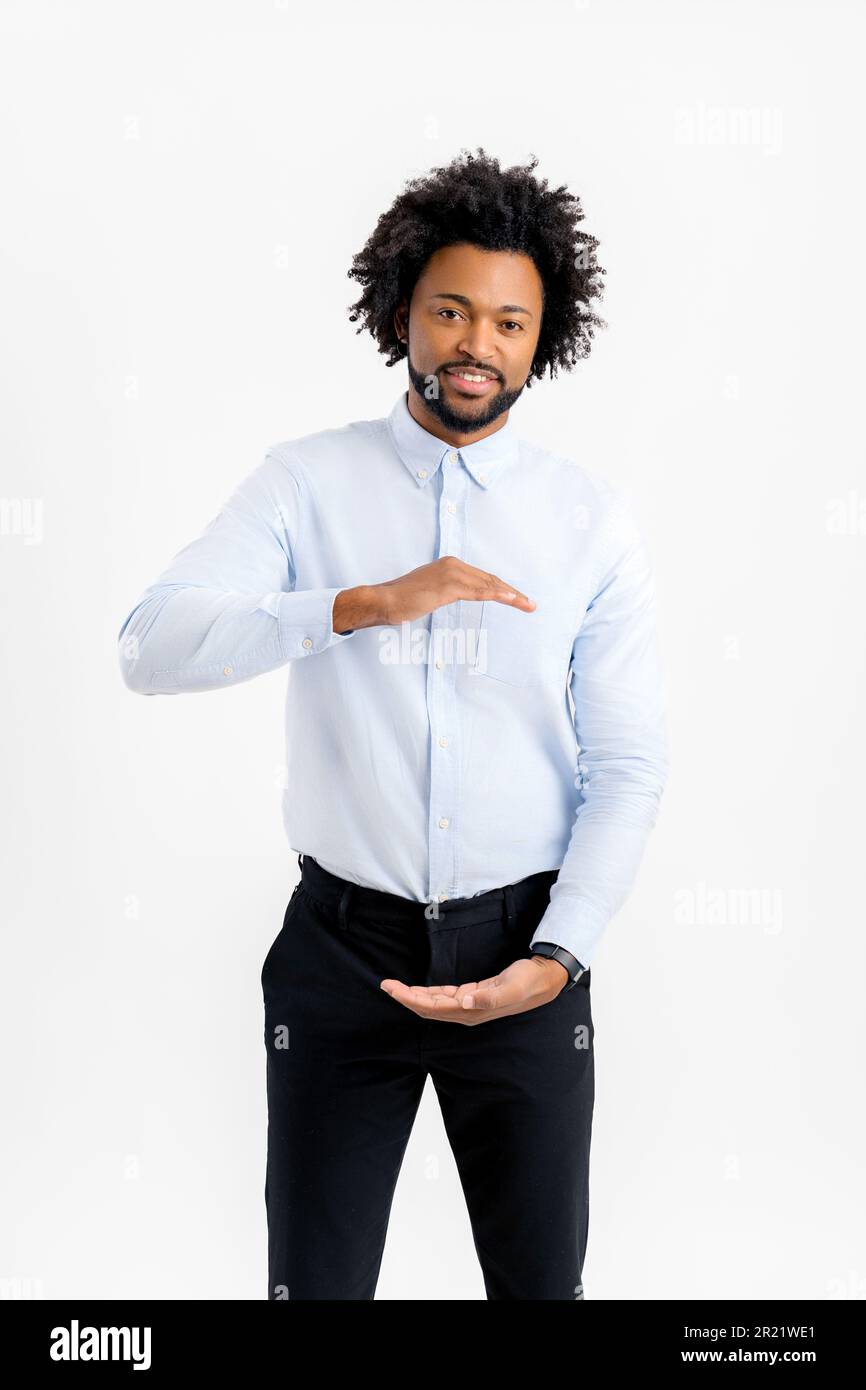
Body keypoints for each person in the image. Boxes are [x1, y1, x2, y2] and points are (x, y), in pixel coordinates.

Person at [117, 148, 669, 1301]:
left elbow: (625, 767)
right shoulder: (305, 485)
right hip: (339, 956)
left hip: (525, 956)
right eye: (452, 309)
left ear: (541, 337)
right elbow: (149, 645)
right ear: (401, 310)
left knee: (540, 1290)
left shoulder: (586, 521)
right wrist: (356, 605)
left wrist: (556, 956)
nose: (478, 344)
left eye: (510, 322)